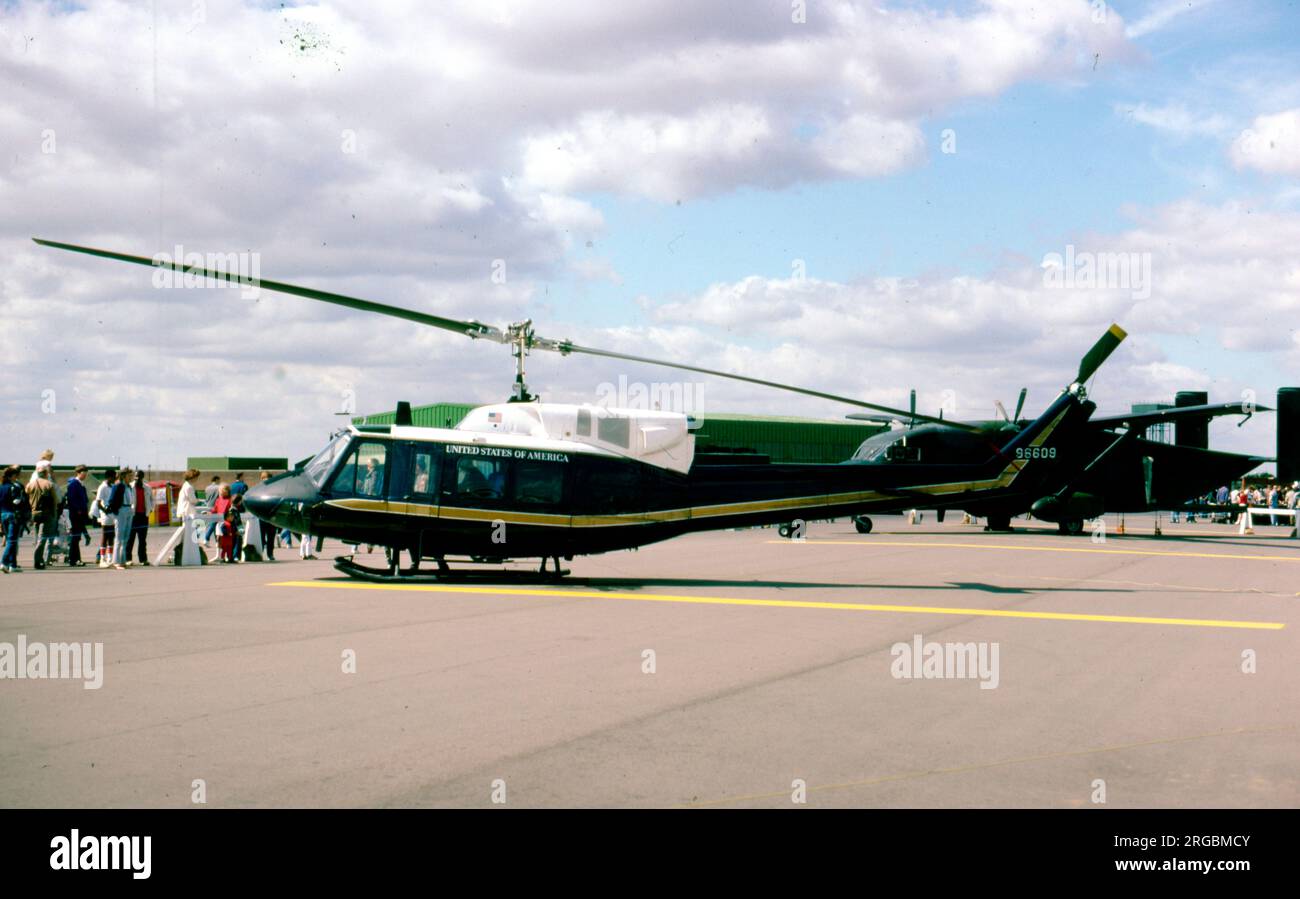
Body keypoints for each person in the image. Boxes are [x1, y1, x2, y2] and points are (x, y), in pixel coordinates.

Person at [25, 462, 59, 570]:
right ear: (45, 473)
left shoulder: (30, 484)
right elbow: (55, 501)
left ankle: (39, 559)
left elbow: (26, 496)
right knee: (43, 538)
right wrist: (54, 513)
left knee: (37, 537)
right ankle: (38, 560)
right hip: (46, 514)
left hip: (34, 513)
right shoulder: (49, 484)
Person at [125, 470, 155, 565]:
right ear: (134, 476)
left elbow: (152, 499)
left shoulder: (147, 487)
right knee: (130, 538)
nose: (137, 479)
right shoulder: (130, 487)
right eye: (136, 477)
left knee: (142, 540)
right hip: (133, 516)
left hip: (143, 516)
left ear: (142, 477)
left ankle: (143, 559)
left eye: (139, 477)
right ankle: (128, 559)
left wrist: (151, 509)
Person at [107, 468, 134, 570]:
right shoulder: (118, 485)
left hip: (128, 509)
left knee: (126, 537)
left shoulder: (129, 486)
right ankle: (116, 561)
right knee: (119, 537)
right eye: (129, 476)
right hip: (121, 510)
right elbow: (111, 500)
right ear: (124, 476)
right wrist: (116, 511)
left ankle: (123, 560)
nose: (131, 478)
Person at [64, 465, 90, 567]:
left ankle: (75, 559)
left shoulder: (81, 485)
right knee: (75, 537)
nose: (85, 475)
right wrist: (78, 510)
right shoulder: (73, 484)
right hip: (76, 515)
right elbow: (72, 499)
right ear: (79, 473)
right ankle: (73, 559)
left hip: (81, 514)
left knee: (77, 538)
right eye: (84, 473)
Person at [1, 465, 23, 573]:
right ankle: (4, 562)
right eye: (15, 475)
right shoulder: (15, 487)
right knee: (12, 541)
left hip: (3, 514)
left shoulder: (1, 487)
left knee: (11, 540)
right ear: (11, 476)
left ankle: (12, 565)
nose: (17, 477)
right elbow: (17, 502)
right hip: (13, 515)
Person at [94, 469, 118, 566]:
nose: (115, 479)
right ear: (109, 477)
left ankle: (109, 558)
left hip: (112, 514)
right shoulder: (102, 487)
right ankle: (102, 559)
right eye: (114, 477)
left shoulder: (112, 486)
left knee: (111, 537)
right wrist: (105, 511)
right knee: (105, 536)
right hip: (105, 515)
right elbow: (98, 503)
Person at [257, 472, 277, 561]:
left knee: (270, 536)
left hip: (269, 516)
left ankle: (270, 553)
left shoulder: (274, 489)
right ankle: (265, 553)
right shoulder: (258, 489)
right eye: (264, 478)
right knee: (263, 536)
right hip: (264, 516)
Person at [212, 485, 234, 562]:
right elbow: (214, 510)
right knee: (218, 539)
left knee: (226, 540)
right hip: (219, 522)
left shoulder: (230, 500)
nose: (220, 492)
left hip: (227, 523)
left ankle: (227, 556)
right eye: (220, 490)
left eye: (222, 490)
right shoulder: (218, 500)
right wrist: (208, 513)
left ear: (227, 491)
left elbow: (232, 512)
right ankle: (218, 555)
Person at [203, 476, 224, 545]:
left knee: (213, 524)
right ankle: (206, 538)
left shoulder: (207, 488)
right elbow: (220, 497)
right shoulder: (219, 488)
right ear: (217, 480)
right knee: (214, 524)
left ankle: (216, 541)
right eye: (219, 480)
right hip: (215, 507)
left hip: (208, 506)